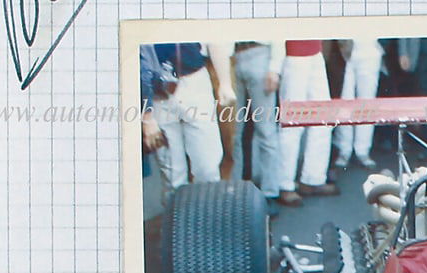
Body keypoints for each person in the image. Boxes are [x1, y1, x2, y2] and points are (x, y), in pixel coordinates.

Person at [144, 42, 234, 205]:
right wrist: (146, 116)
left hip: (193, 81)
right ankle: (177, 225)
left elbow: (215, 39)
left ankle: (207, 220)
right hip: (157, 88)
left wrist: (225, 82)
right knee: (172, 174)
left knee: (207, 166)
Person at [272, 40, 339, 206]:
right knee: (293, 123)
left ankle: (313, 179)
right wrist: (275, 68)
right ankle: (284, 183)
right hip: (293, 55)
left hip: (315, 51)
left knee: (323, 118)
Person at [230, 41, 280, 202]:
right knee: (235, 131)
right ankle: (236, 190)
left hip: (259, 54)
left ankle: (269, 192)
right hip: (232, 57)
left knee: (266, 130)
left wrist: (274, 68)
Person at [333, 38, 385, 169]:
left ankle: (363, 150)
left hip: (370, 51)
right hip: (345, 50)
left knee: (368, 104)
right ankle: (344, 149)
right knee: (344, 103)